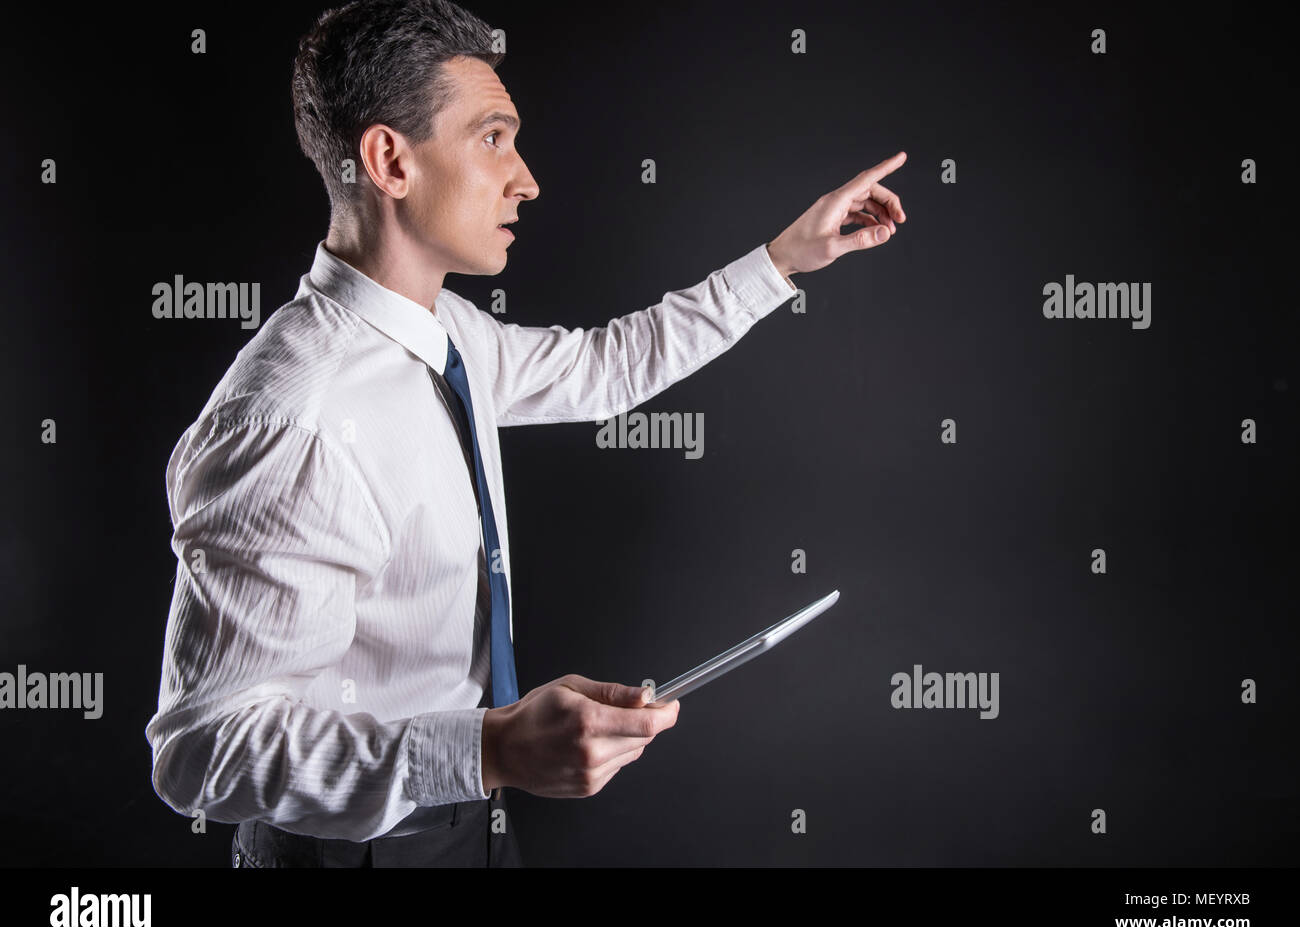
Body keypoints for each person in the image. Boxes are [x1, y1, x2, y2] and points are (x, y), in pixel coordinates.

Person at [144, 0, 906, 868]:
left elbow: (609, 367)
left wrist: (782, 262)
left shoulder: (451, 334)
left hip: (470, 822)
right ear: (390, 160)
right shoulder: (293, 419)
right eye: (493, 138)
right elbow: (203, 750)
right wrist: (491, 748)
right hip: (346, 855)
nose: (527, 178)